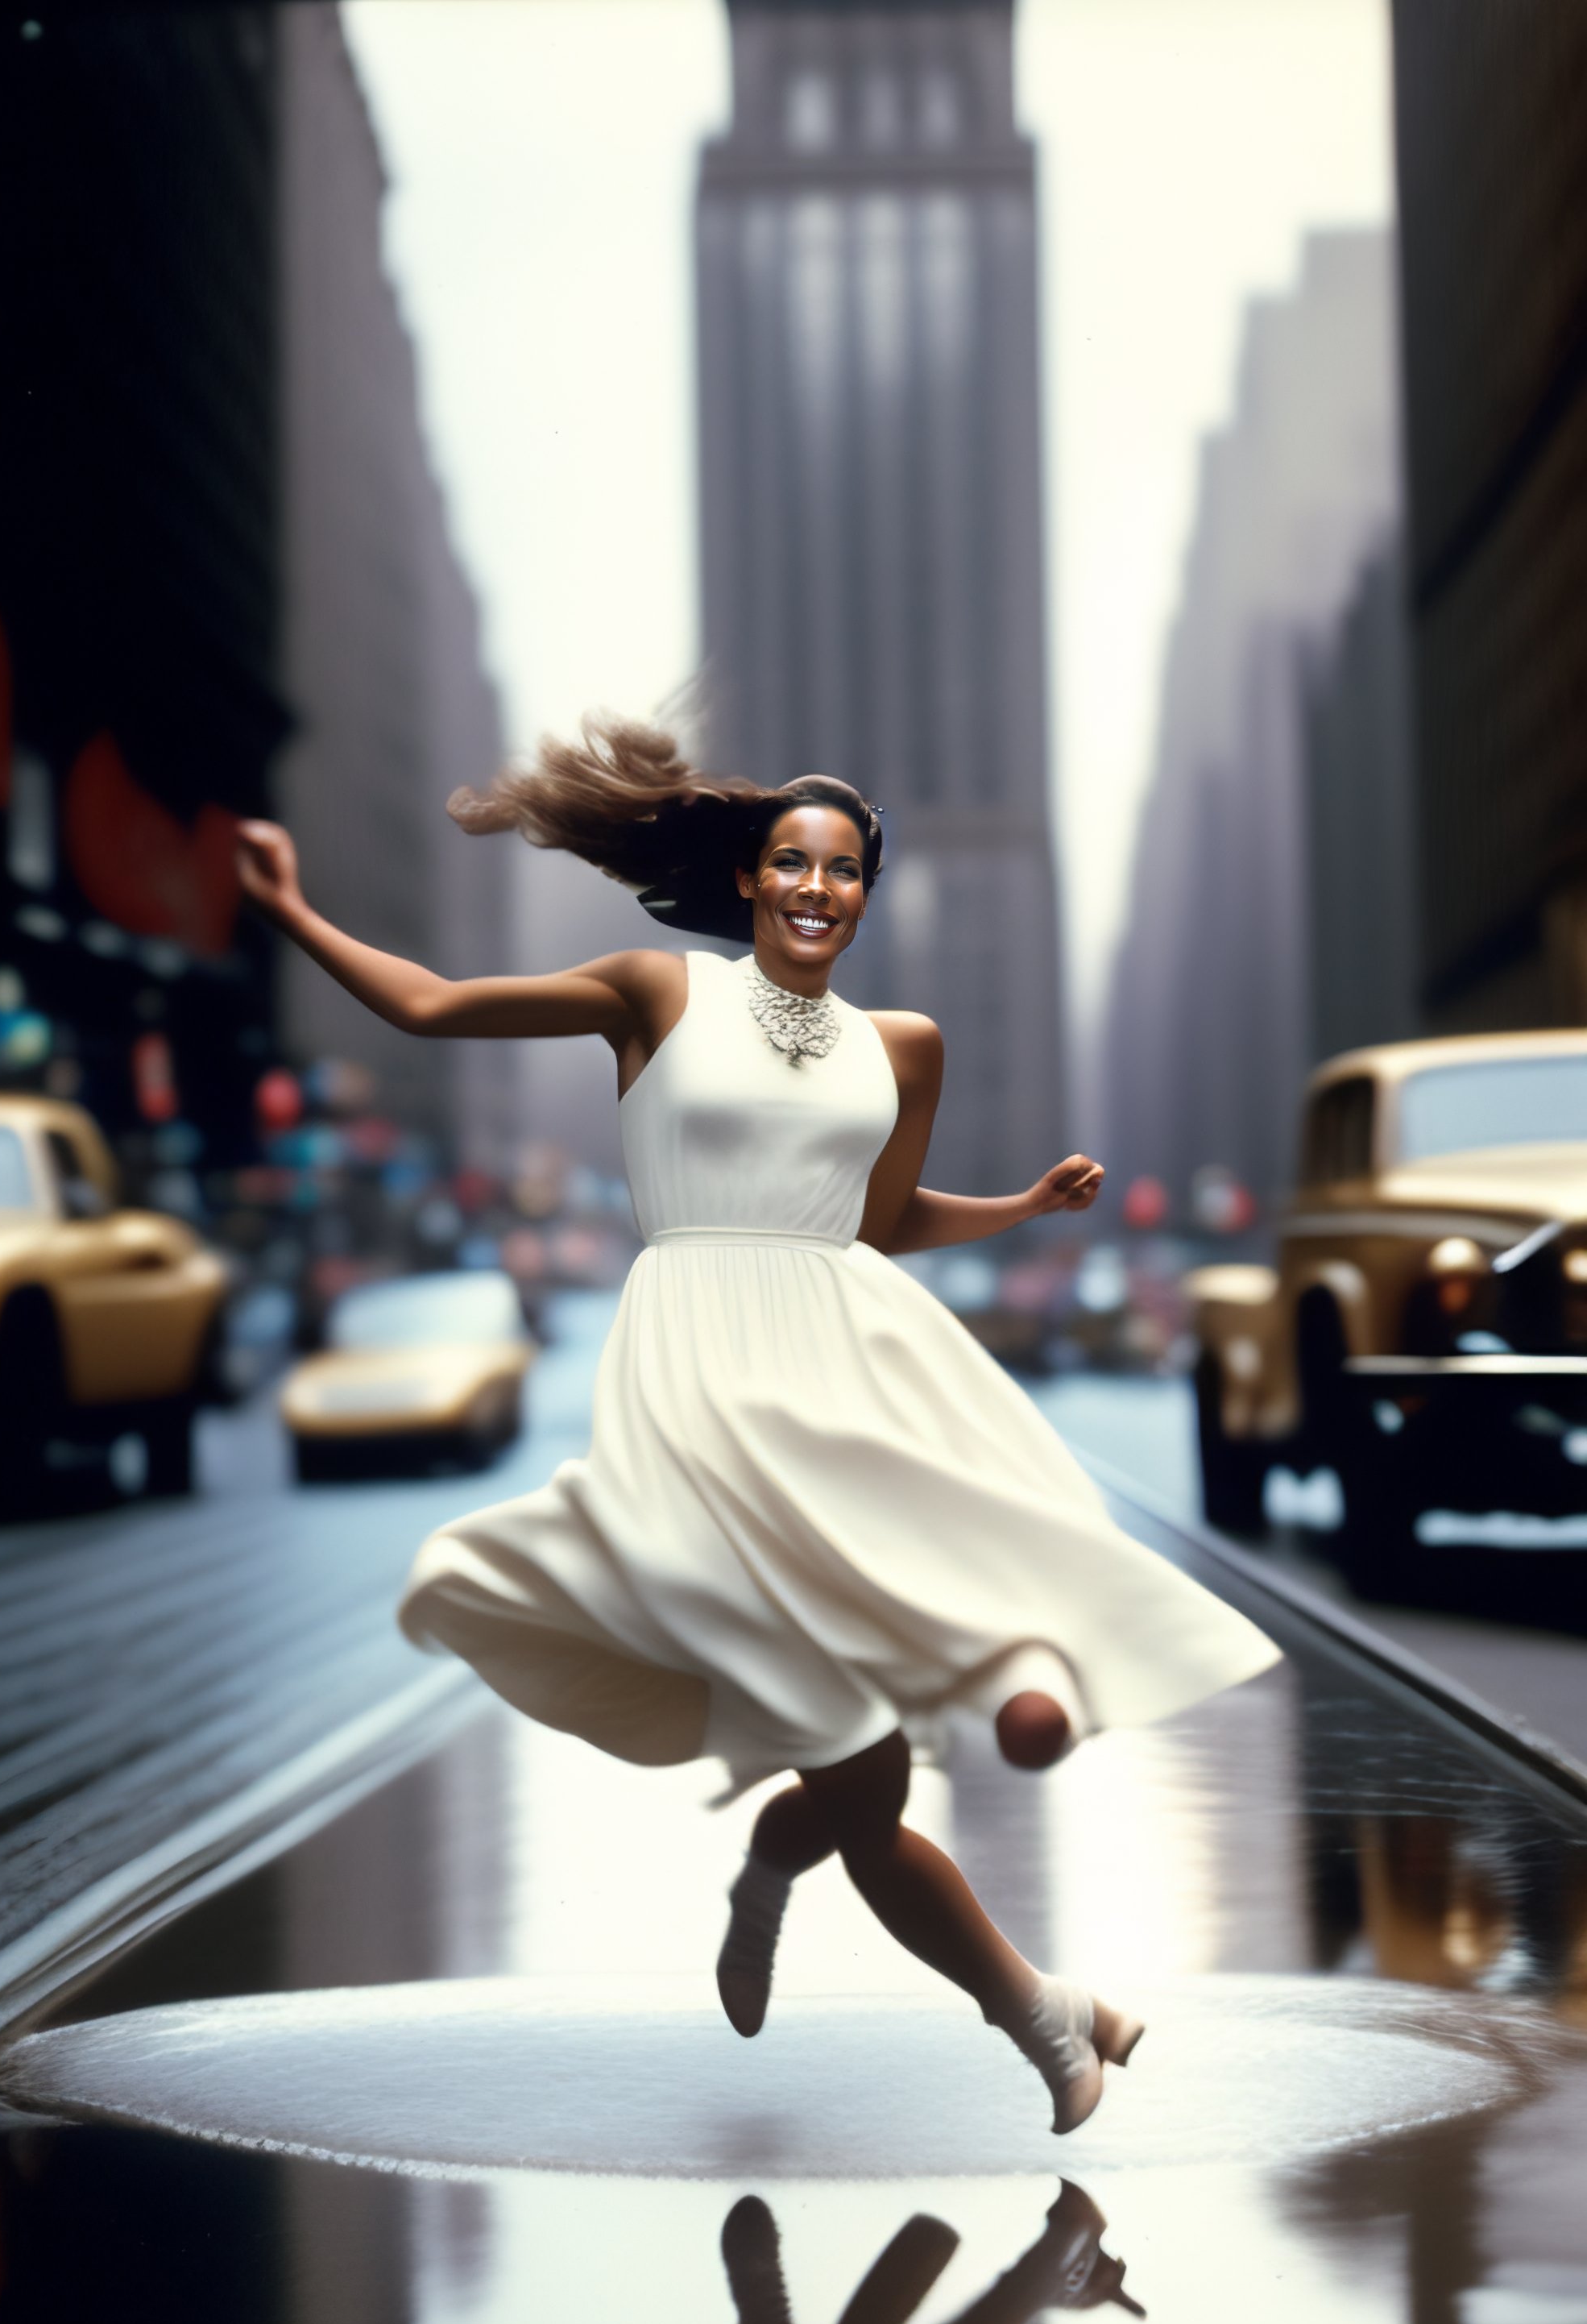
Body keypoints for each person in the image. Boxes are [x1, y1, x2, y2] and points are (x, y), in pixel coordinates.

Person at [235, 714, 1278, 2135]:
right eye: (790, 861)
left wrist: (1024, 1209)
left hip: (865, 1385)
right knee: (857, 1766)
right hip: (706, 1410)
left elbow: (881, 1222)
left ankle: (785, 1879)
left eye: (841, 870)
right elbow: (427, 1003)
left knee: (944, 1734)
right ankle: (1047, 2017)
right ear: (749, 881)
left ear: (863, 894)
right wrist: (290, 906)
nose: (812, 887)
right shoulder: (656, 993)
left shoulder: (903, 1046)